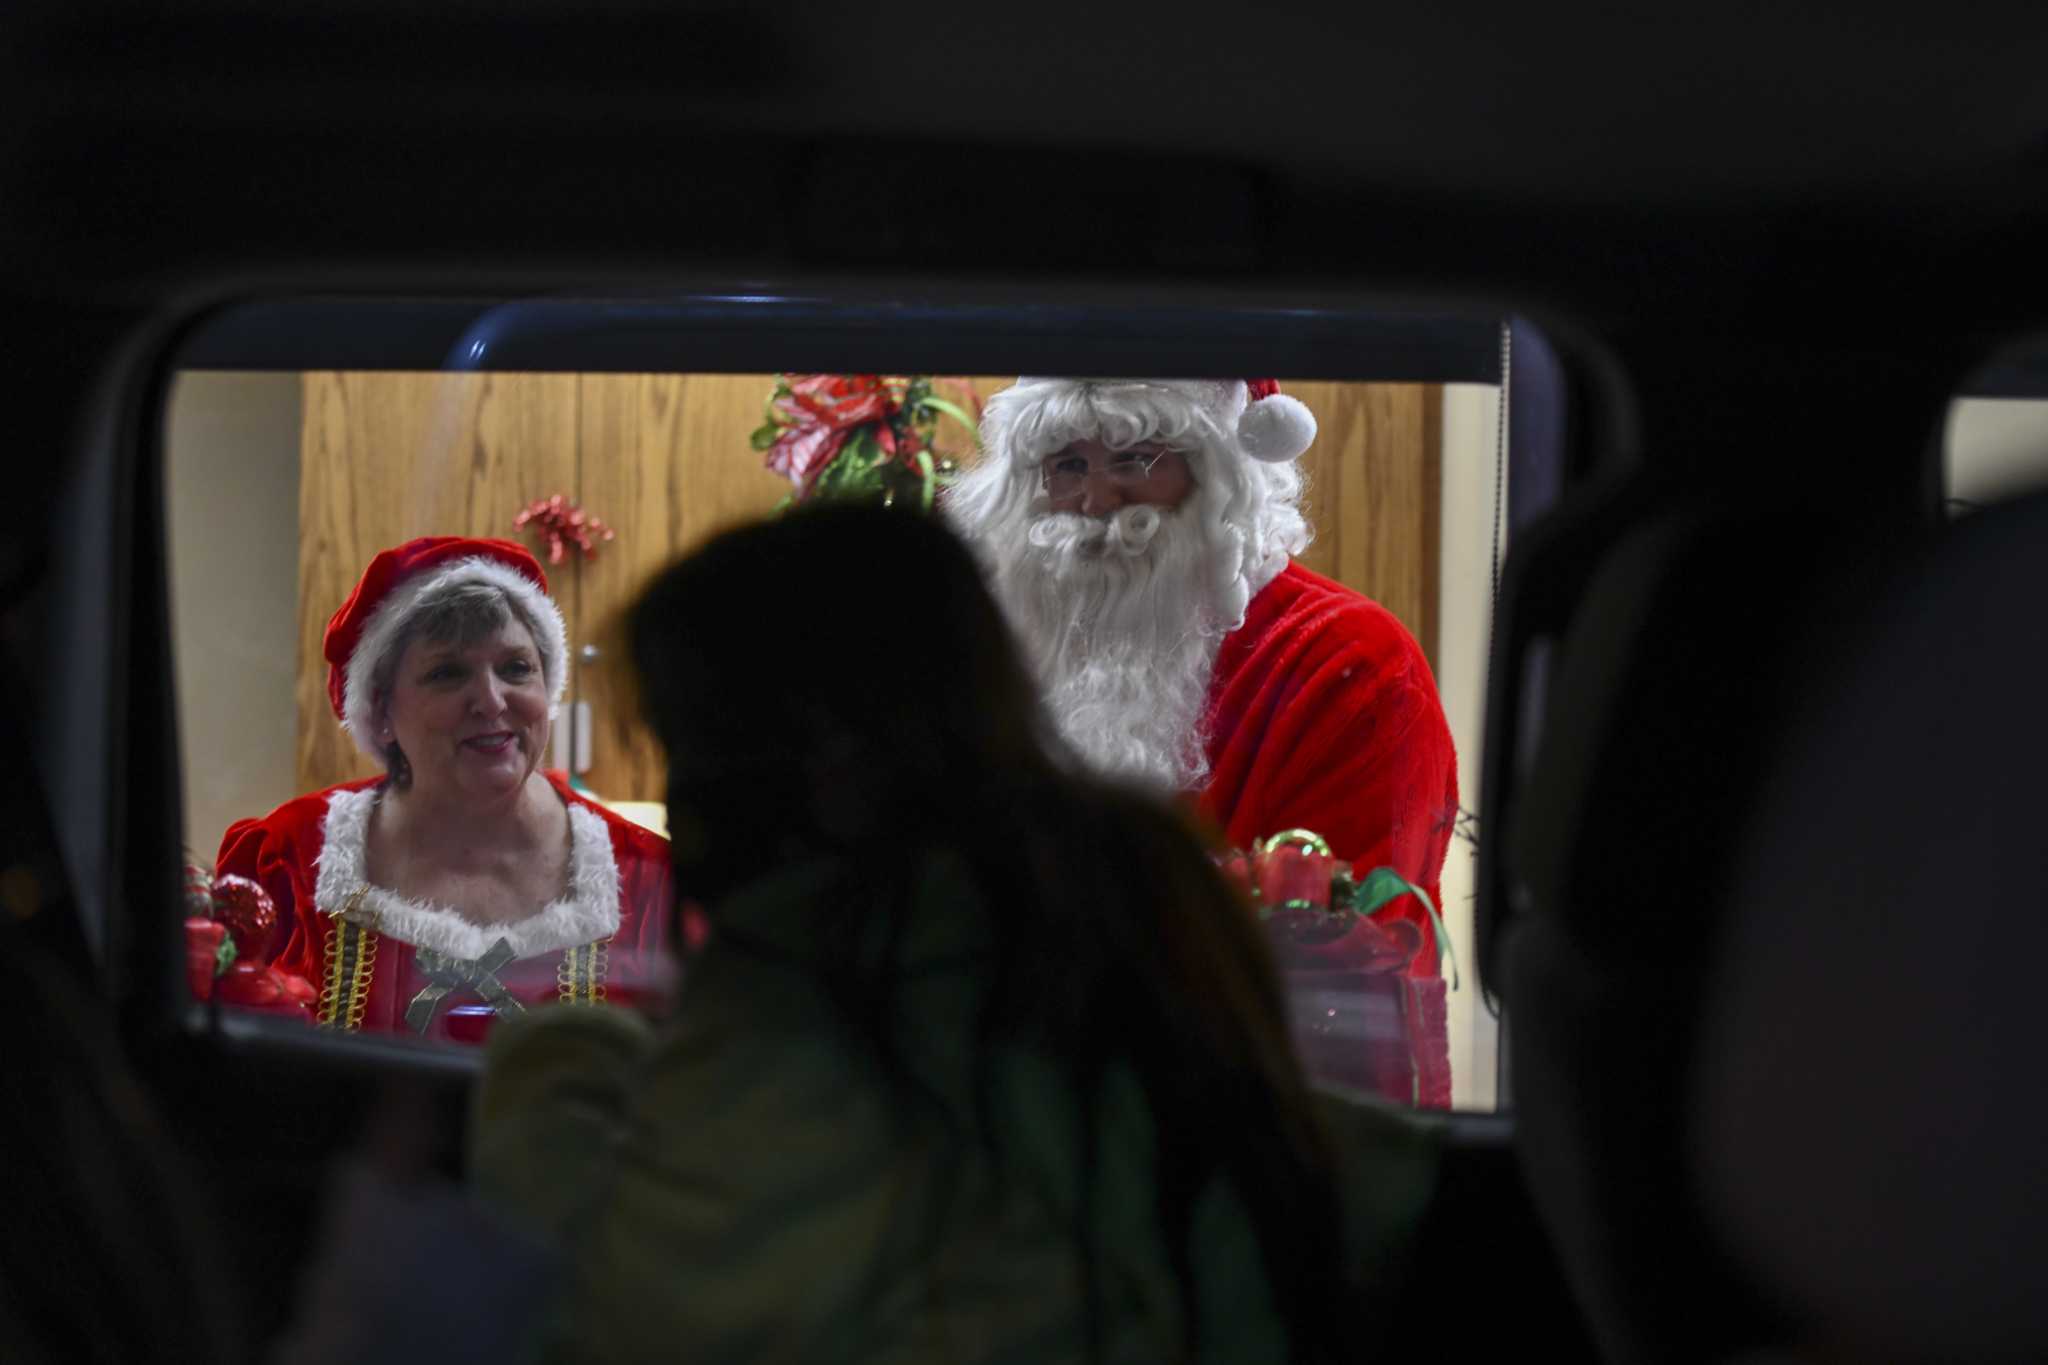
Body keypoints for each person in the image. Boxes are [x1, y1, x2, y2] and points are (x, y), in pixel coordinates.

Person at [468, 505, 1434, 1363]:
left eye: (696, 747)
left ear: (825, 756)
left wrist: (552, 1063)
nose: (684, 801)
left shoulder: (808, 979)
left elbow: (669, 1285)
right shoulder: (1147, 902)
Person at [943, 377, 1460, 1104]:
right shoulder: (998, 654)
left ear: (1221, 471)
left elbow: (1339, 967)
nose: (1098, 501)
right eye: (1067, 465)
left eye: (1136, 459)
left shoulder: (1350, 662)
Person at [211, 536, 671, 1041]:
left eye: (516, 668)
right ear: (381, 711)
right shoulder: (286, 863)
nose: (491, 701)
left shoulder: (653, 882)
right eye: (447, 674)